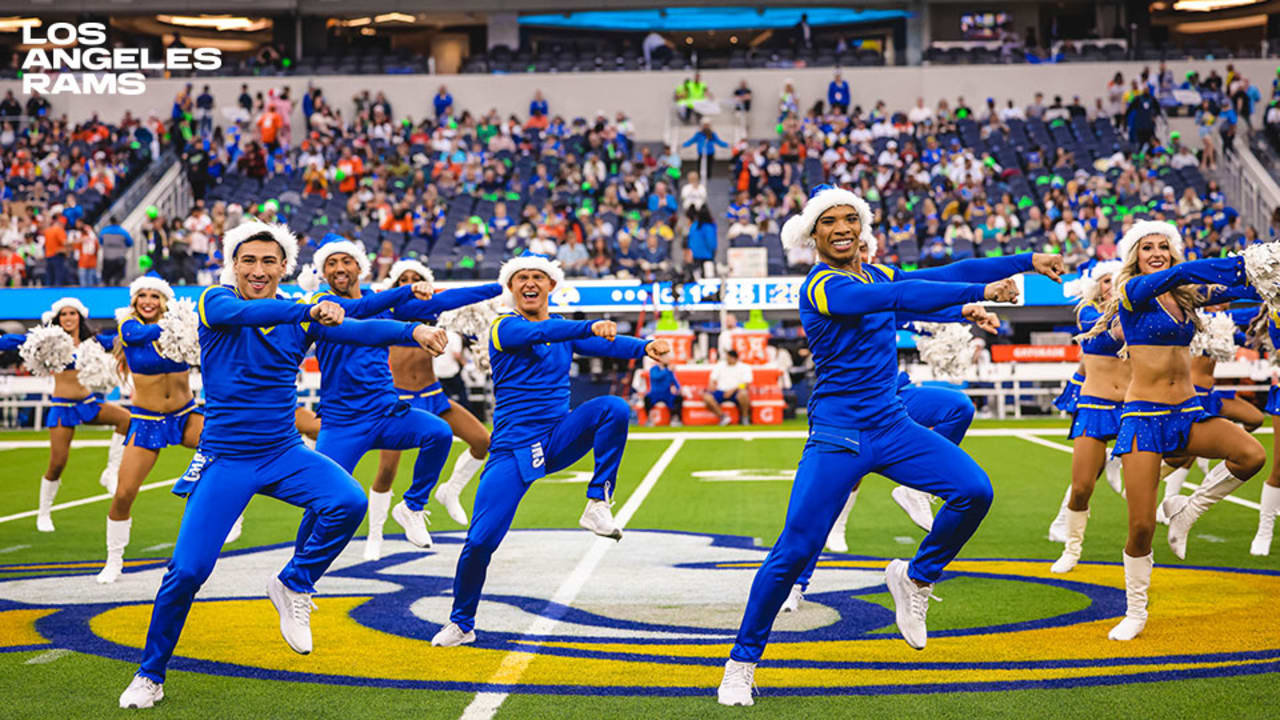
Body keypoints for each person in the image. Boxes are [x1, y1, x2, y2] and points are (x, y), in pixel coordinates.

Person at [718, 185, 1061, 706]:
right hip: (838, 437)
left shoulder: (876, 273)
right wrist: (987, 290)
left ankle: (915, 578)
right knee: (793, 551)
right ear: (814, 234)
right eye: (829, 221)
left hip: (893, 426)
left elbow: (945, 274)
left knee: (975, 491)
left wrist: (1027, 260)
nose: (841, 228)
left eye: (849, 218)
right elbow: (895, 299)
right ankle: (741, 664)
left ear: (863, 227)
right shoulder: (821, 286)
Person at [118, 222, 446, 708]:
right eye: (248, 260)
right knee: (187, 571)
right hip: (228, 461)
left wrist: (412, 328)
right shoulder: (215, 302)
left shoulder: (301, 314)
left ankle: (294, 582)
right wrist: (307, 308)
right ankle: (151, 673)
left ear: (284, 267)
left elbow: (358, 326)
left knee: (348, 501)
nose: (257, 269)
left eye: (269, 261)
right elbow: (254, 312)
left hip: (284, 452)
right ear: (233, 264)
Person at [429, 255, 672, 647]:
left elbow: (605, 343)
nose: (529, 283)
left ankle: (597, 502)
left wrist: (647, 346)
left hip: (558, 436)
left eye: (537, 277)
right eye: (521, 277)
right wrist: (589, 324)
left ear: (551, 286)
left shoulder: (563, 330)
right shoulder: (503, 326)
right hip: (511, 450)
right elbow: (547, 335)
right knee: (480, 541)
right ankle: (462, 622)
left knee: (613, 408)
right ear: (510, 288)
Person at [1077, 221, 1265, 642]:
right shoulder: (1131, 293)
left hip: (1188, 412)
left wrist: (1267, 277)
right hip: (1143, 418)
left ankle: (1187, 510)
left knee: (1251, 454)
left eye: (1164, 245)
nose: (1157, 252)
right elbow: (1183, 274)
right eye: (1148, 247)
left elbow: (1242, 295)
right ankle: (1136, 610)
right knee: (1141, 526)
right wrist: (1240, 262)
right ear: (1135, 256)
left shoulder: (1186, 296)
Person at [368, 259, 505, 558]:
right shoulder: (385, 311)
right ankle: (374, 534)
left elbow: (458, 301)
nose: (410, 282)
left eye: (416, 277)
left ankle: (450, 490)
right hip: (399, 402)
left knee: (483, 441)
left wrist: (499, 288)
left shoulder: (435, 313)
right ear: (393, 284)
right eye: (403, 278)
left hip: (433, 395)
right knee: (387, 471)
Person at [97, 277, 207, 583]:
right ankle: (114, 560)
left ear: (164, 300)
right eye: (142, 295)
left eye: (155, 296)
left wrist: (188, 327)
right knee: (124, 493)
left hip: (186, 415)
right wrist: (181, 325)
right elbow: (140, 334)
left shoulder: (181, 329)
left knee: (223, 450)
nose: (148, 301)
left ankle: (232, 515)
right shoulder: (128, 326)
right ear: (134, 301)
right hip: (146, 421)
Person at [1045, 261, 1128, 574]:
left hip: (1131, 404)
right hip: (1094, 403)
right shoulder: (1086, 310)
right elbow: (1108, 335)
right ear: (1096, 286)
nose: (1110, 285)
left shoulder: (1138, 308)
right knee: (1082, 487)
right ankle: (1071, 547)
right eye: (1105, 281)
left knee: (1142, 485)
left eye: (1116, 280)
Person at [33, 298, 131, 532]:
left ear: (80, 317)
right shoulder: (50, 341)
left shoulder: (93, 342)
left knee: (126, 419)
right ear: (58, 319)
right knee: (57, 463)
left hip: (89, 403)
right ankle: (44, 513)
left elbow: (121, 340)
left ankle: (111, 472)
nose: (68, 318)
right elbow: (19, 342)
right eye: (64, 314)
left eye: (72, 314)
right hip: (63, 408)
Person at [703, 349, 752, 425]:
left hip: (736, 391)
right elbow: (712, 378)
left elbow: (746, 383)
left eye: (729, 357)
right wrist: (711, 385)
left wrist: (732, 390)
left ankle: (744, 418)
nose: (727, 359)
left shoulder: (745, 367)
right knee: (706, 397)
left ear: (734, 358)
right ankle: (723, 417)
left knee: (744, 393)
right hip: (721, 391)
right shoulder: (720, 365)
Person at [643, 355, 683, 426]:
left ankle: (675, 419)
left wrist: (679, 389)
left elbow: (674, 381)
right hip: (654, 394)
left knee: (679, 398)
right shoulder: (654, 369)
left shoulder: (669, 371)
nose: (668, 359)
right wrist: (667, 370)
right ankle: (649, 419)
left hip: (666, 394)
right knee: (646, 398)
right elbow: (656, 376)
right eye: (666, 358)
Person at [99, 217, 133, 286]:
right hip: (119, 258)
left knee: (106, 279)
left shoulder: (104, 232)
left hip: (107, 259)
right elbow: (130, 243)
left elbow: (101, 242)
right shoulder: (123, 232)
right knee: (118, 278)